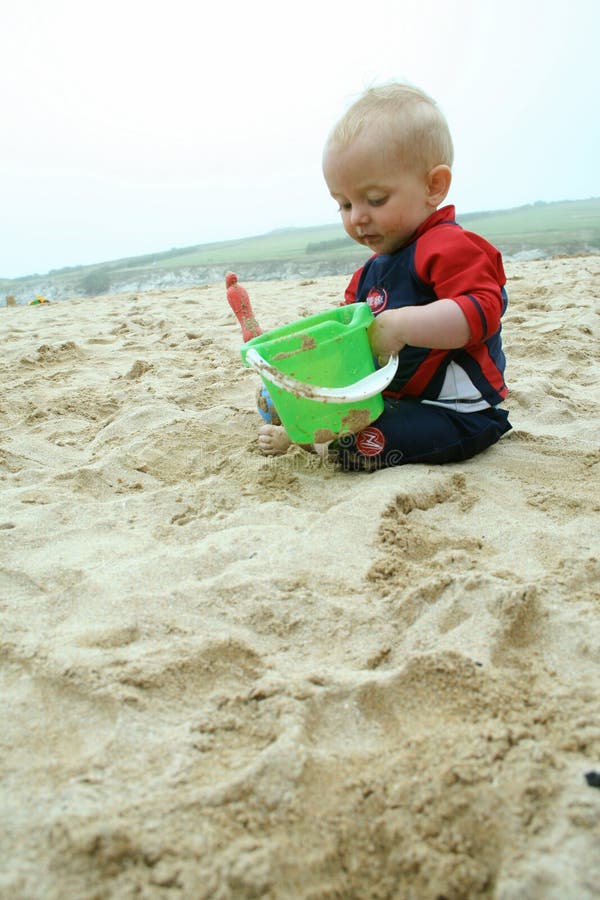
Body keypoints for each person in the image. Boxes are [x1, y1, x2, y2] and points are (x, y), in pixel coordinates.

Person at [258, 82, 511, 470]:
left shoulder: (449, 246)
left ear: (433, 186)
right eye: (343, 204)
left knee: (366, 443)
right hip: (395, 396)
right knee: (345, 410)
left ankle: (310, 443)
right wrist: (303, 376)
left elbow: (482, 311)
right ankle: (306, 420)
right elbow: (347, 344)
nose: (357, 215)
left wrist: (403, 325)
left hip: (456, 412)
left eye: (375, 199)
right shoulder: (368, 274)